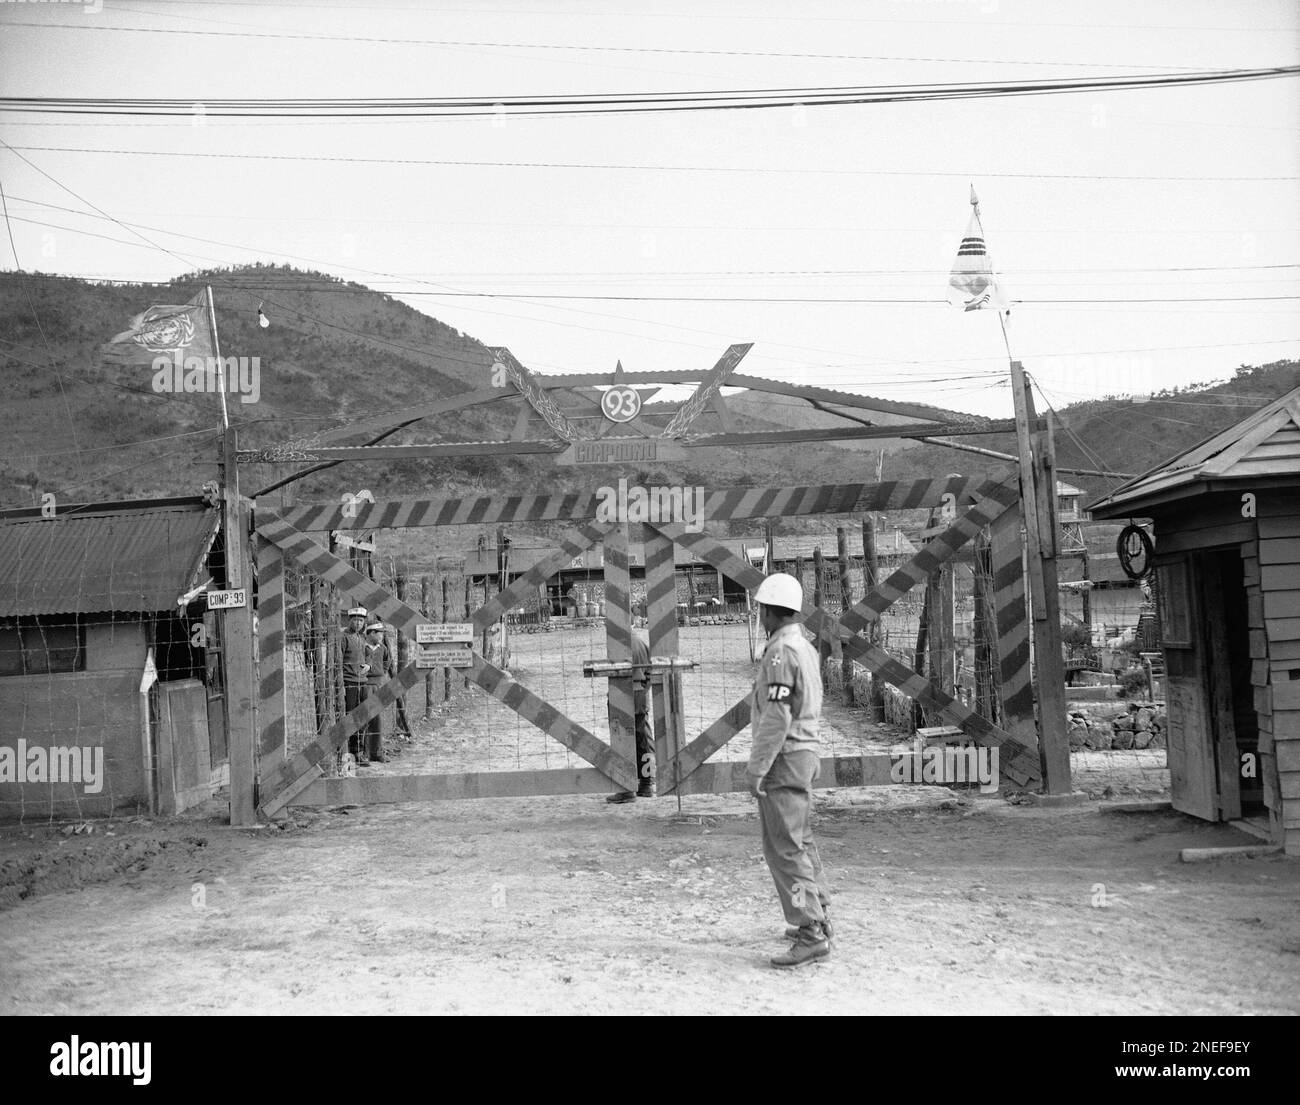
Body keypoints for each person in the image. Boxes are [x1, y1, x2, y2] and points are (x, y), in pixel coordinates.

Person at [747, 572, 833, 969]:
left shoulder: (781, 652)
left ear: (768, 610)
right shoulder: (804, 647)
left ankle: (809, 929)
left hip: (785, 757)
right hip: (806, 753)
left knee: (784, 849)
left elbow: (777, 716)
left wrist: (757, 767)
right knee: (802, 841)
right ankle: (819, 913)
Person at [606, 628, 655, 804]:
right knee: (642, 737)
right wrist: (644, 689)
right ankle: (646, 782)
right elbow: (650, 671)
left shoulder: (621, 646)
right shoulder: (642, 643)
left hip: (623, 693)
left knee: (622, 738)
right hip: (640, 692)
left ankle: (626, 786)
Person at [340, 606, 370, 766]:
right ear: (349, 620)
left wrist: (369, 666)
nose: (358, 623)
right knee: (350, 717)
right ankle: (349, 753)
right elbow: (336, 662)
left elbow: (370, 655)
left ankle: (359, 750)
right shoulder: (343, 637)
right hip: (349, 682)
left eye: (361, 620)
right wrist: (340, 685)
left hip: (363, 682)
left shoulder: (362, 638)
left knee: (363, 717)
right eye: (355, 620)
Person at [363, 620, 393, 764]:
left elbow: (388, 661)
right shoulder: (361, 647)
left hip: (377, 685)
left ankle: (377, 752)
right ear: (372, 633)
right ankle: (364, 753)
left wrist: (382, 673)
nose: (381, 637)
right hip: (363, 685)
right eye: (380, 634)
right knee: (363, 718)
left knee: (377, 719)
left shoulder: (382, 648)